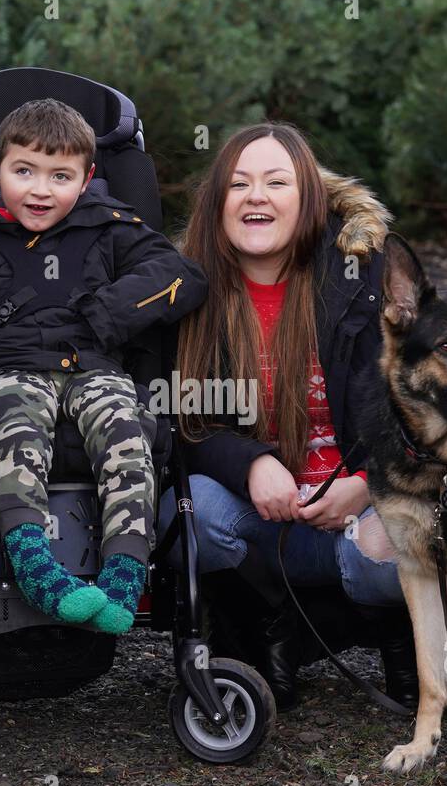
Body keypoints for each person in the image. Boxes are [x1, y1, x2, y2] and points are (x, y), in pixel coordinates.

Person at [0, 98, 206, 634]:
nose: (40, 189)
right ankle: (35, 566)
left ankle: (123, 575)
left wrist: (108, 312)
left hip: (94, 367)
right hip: (6, 369)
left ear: (87, 179)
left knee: (125, 425)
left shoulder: (110, 229)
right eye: (23, 171)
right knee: (17, 420)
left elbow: (181, 277)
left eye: (60, 176)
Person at [160, 121, 417, 709]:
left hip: (358, 512)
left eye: (276, 182)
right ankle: (270, 626)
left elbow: (425, 404)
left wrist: (367, 482)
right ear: (215, 203)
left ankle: (400, 633)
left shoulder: (367, 276)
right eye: (239, 184)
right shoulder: (185, 292)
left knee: (390, 548)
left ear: (309, 198)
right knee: (186, 514)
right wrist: (250, 464)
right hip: (266, 523)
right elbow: (175, 421)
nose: (257, 197)